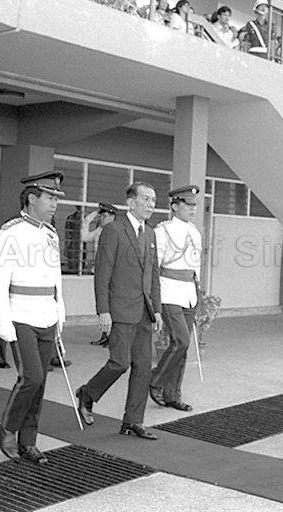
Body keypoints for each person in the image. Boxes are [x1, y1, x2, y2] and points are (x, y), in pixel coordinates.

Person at [76, 182, 163, 440]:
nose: (150, 204)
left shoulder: (150, 234)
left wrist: (157, 309)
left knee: (143, 367)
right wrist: (103, 310)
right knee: (119, 363)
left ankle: (132, 421)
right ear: (131, 202)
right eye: (146, 199)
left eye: (153, 200)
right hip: (120, 311)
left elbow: (153, 275)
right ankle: (87, 394)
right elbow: (102, 275)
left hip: (144, 312)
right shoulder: (113, 230)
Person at [0, 171, 66, 464]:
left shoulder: (50, 233)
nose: (54, 204)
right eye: (49, 197)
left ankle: (28, 441)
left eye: (56, 198)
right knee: (31, 376)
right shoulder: (10, 232)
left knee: (41, 381)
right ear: (32, 198)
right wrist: (2, 322)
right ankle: (7, 428)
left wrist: (60, 312)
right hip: (20, 313)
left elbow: (56, 278)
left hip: (46, 313)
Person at [149, 185, 202, 412]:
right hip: (169, 291)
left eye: (194, 204)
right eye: (188, 204)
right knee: (181, 341)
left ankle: (172, 395)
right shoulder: (162, 231)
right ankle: (155, 380)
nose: (193, 208)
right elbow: (155, 266)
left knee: (181, 347)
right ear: (174, 206)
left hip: (189, 293)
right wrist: (156, 300)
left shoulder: (194, 231)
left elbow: (195, 266)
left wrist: (198, 293)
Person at [81, 202, 119, 346]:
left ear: (112, 217)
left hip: (112, 273)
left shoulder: (117, 231)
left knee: (111, 304)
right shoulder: (99, 230)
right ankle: (105, 334)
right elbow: (85, 237)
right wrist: (88, 219)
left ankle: (112, 336)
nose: (101, 218)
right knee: (101, 303)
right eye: (100, 215)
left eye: (104, 216)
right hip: (99, 270)